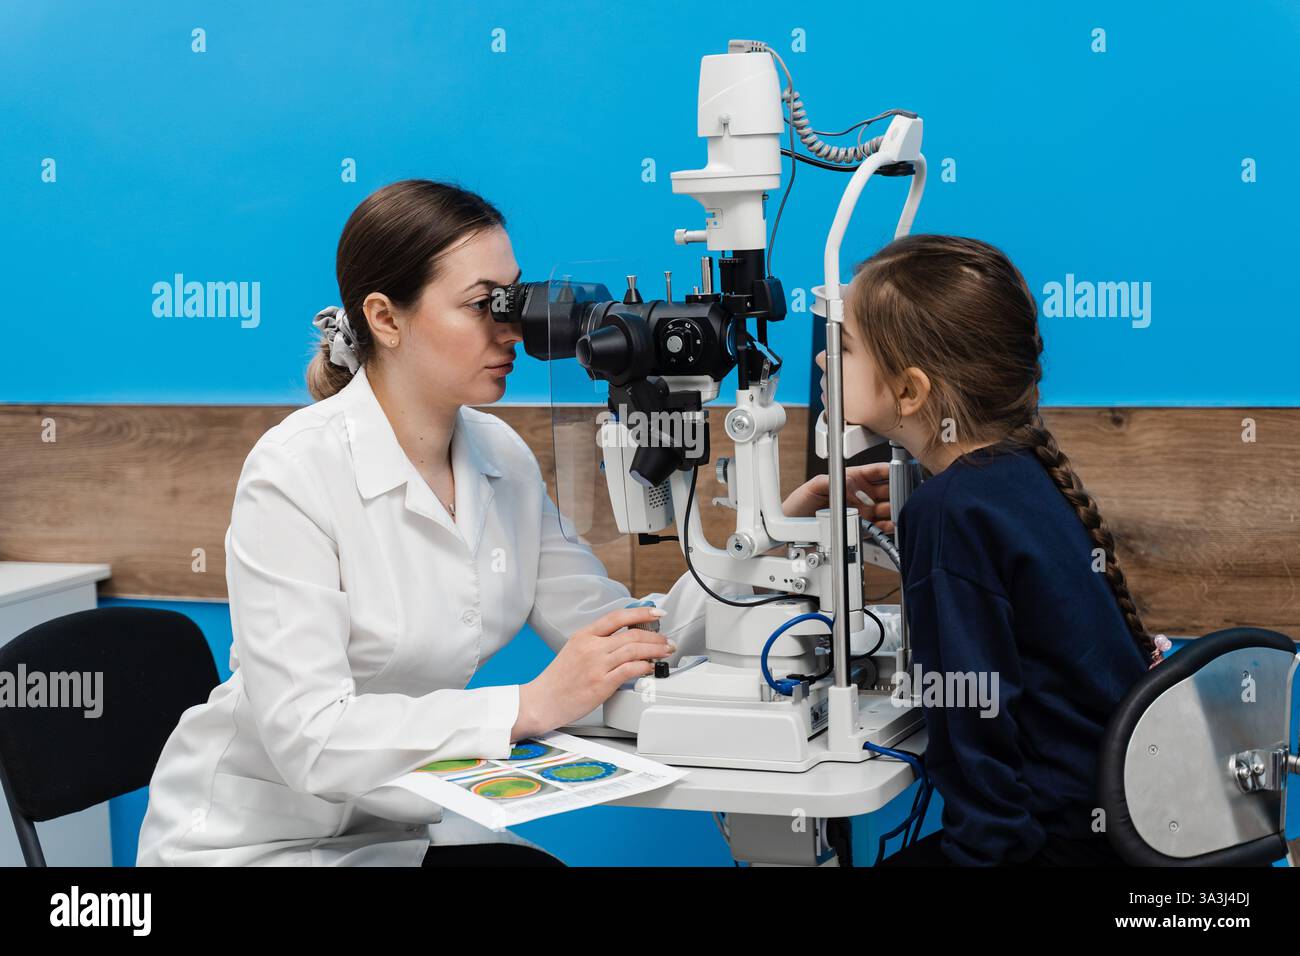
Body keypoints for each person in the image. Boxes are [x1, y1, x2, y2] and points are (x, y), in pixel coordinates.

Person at [136, 179, 754, 866]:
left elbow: (614, 634)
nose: (512, 329)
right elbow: (312, 738)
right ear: (385, 318)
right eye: (480, 305)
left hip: (401, 820)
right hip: (255, 841)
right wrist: (526, 704)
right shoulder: (293, 471)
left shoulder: (501, 456)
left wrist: (765, 545)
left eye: (513, 299)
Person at [804, 234, 1167, 866]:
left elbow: (976, 721)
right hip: (1118, 832)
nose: (822, 362)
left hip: (1039, 848)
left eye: (846, 346)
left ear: (911, 392)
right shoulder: (1015, 474)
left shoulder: (950, 512)